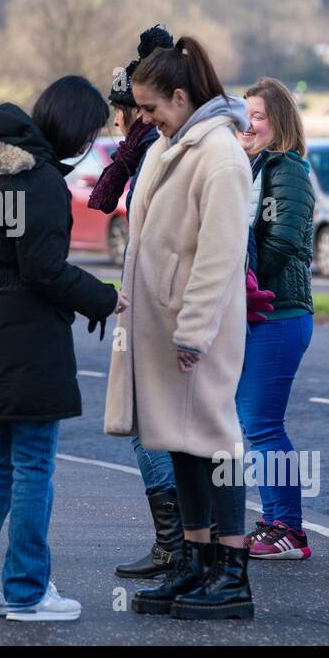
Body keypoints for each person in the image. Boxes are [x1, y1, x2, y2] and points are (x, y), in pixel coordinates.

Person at [0, 77, 123, 622]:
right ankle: (27, 590)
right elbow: (42, 269)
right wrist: (104, 300)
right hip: (25, 337)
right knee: (34, 461)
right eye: (89, 131)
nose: (90, 140)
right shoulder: (38, 179)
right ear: (73, 127)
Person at [104, 35, 256, 620]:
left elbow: (219, 256)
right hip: (165, 325)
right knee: (182, 443)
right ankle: (196, 561)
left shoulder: (219, 154)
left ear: (180, 95)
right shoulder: (177, 144)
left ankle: (231, 572)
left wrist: (191, 330)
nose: (143, 119)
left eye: (150, 108)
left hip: (195, 330)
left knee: (216, 442)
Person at [88, 26, 184, 579]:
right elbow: (104, 199)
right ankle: (191, 544)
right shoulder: (148, 144)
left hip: (158, 302)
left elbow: (105, 201)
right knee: (165, 424)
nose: (125, 120)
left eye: (127, 109)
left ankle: (177, 546)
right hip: (154, 296)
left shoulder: (154, 146)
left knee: (151, 424)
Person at [236, 77, 316, 560]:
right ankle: (273, 521)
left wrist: (245, 282)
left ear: (280, 121)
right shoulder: (255, 167)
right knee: (255, 422)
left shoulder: (286, 169)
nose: (249, 124)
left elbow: (283, 240)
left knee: (264, 424)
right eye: (245, 115)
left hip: (279, 313)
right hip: (262, 312)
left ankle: (290, 530)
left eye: (259, 116)